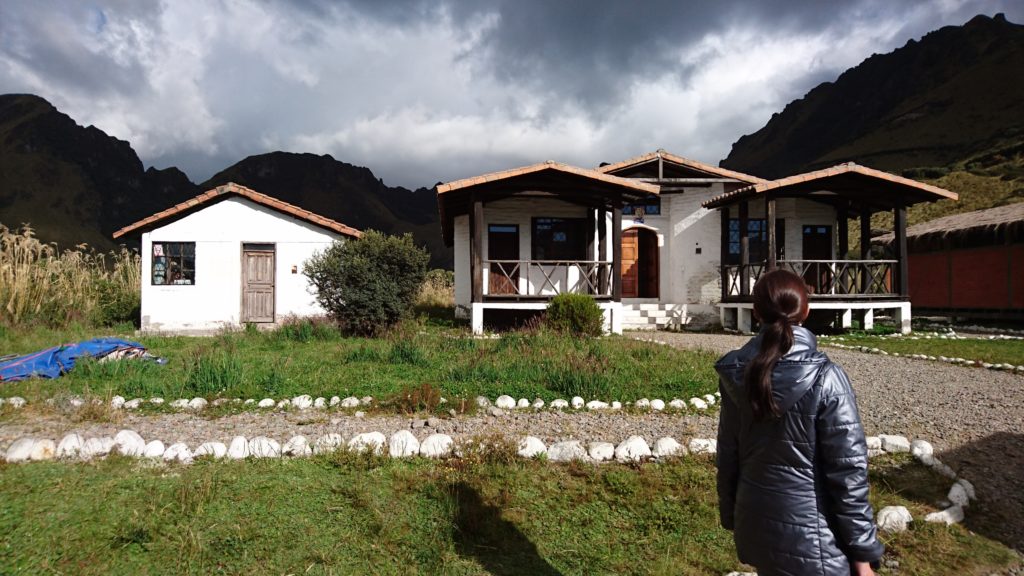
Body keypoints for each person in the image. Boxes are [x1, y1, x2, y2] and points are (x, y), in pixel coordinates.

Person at [715, 269, 883, 575]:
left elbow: (728, 452)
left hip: (756, 525)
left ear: (755, 312)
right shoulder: (826, 378)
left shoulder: (738, 373)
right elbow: (848, 471)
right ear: (806, 310)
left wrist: (732, 515)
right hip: (815, 539)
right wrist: (862, 552)